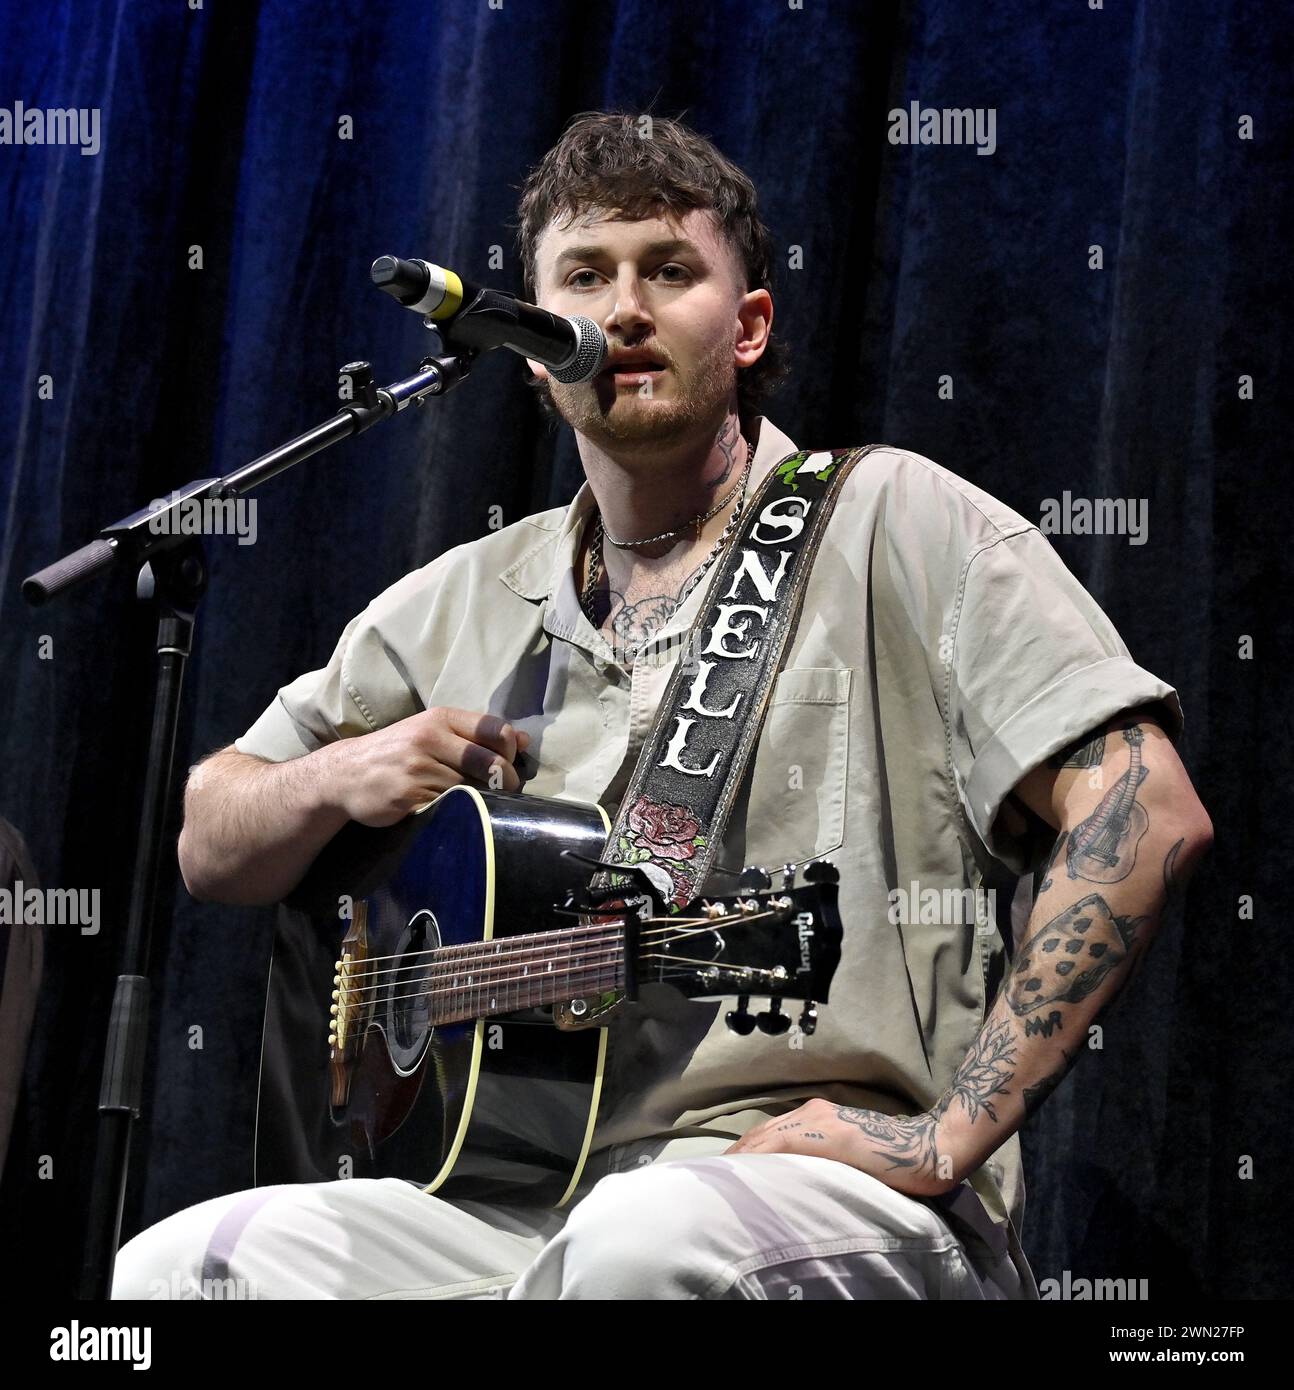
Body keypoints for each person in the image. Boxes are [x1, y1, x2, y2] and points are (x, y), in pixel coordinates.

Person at [111, 111, 1212, 1300]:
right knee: (187, 1268)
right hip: (513, 1203)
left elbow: (1145, 811)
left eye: (668, 271)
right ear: (535, 348)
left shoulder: (896, 520)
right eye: (584, 277)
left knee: (640, 1247)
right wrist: (333, 774)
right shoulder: (463, 598)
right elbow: (210, 838)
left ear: (746, 327)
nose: (622, 310)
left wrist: (943, 1136)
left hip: (830, 1187)